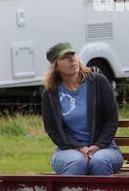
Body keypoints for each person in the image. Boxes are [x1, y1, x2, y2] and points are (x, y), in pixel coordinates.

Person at [40, 42, 124, 175]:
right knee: (76, 162)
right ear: (55, 66)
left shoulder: (98, 82)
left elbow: (111, 120)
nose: (72, 59)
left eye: (73, 54)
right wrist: (78, 148)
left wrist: (97, 147)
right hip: (67, 150)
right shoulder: (50, 94)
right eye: (65, 57)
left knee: (100, 161)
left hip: (105, 148)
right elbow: (53, 130)